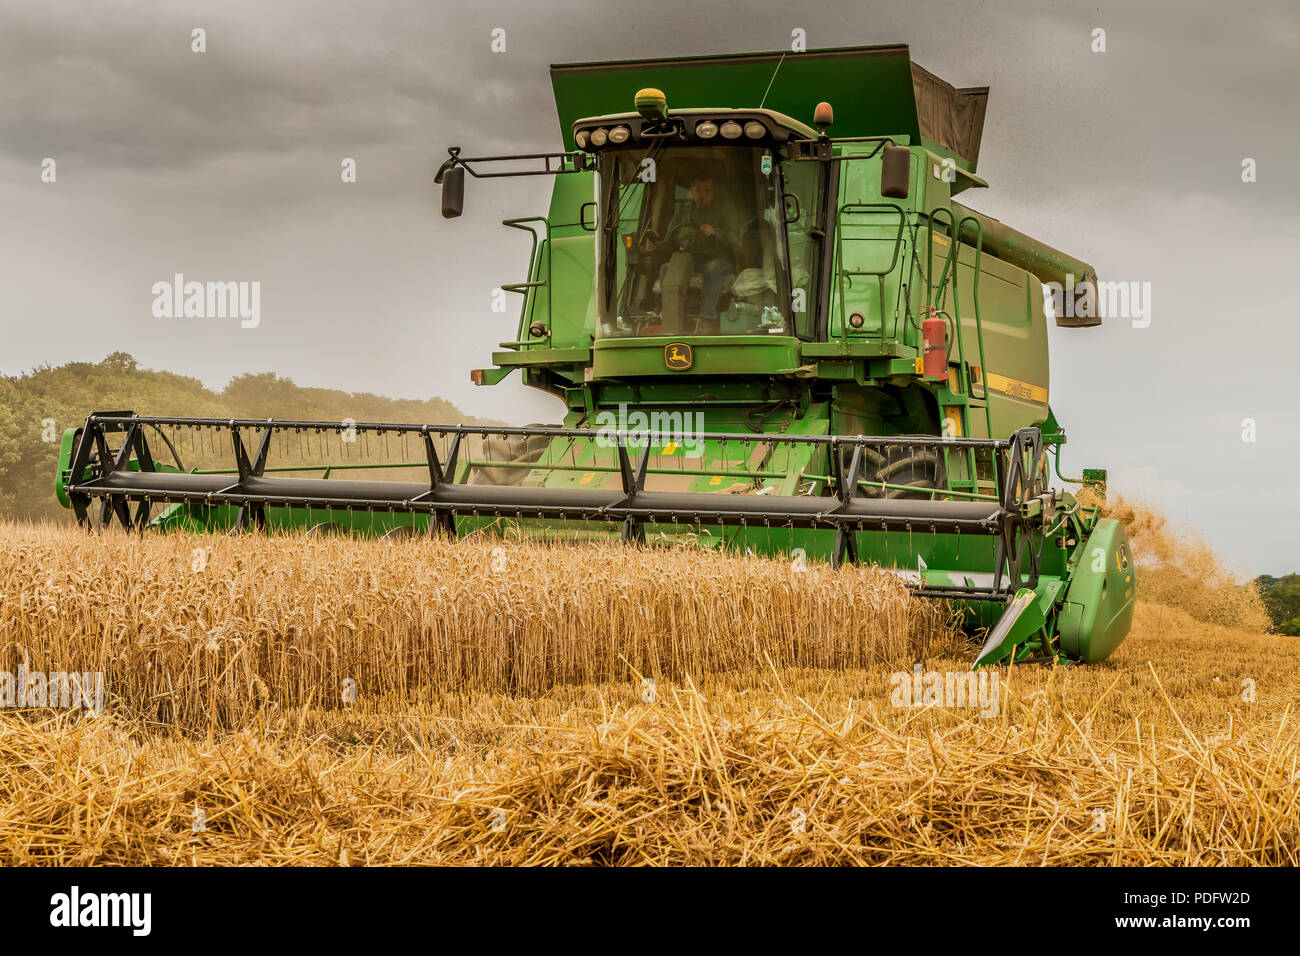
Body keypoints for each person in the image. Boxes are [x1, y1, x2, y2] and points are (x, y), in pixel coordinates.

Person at [651, 175, 738, 319]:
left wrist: (717, 232)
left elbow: (737, 240)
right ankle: (669, 317)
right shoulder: (682, 213)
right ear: (691, 191)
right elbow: (670, 242)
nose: (702, 195)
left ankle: (707, 317)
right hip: (689, 260)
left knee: (713, 268)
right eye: (698, 191)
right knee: (667, 268)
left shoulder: (725, 210)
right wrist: (655, 246)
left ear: (714, 192)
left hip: (719, 259)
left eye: (707, 191)